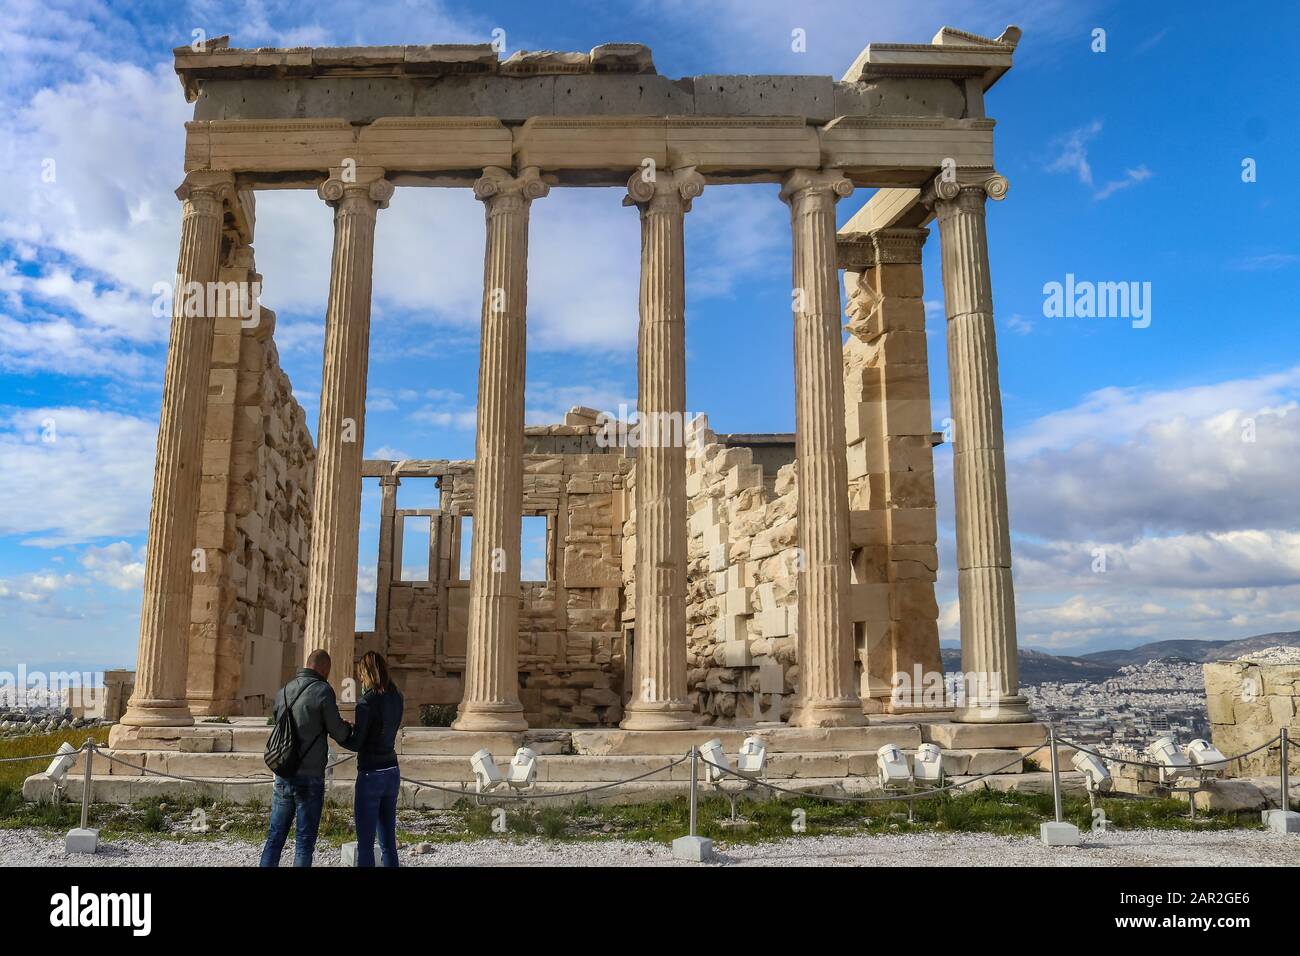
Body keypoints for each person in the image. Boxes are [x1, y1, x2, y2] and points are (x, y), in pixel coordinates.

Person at [259, 649, 352, 867]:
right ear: (324, 669)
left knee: (274, 838)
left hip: (284, 771)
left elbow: (278, 721)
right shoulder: (323, 691)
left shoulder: (284, 690)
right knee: (304, 842)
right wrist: (350, 730)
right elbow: (337, 732)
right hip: (310, 776)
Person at [343, 651, 404, 867]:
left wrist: (342, 732)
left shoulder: (366, 701)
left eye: (361, 673)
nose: (360, 678)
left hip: (371, 773)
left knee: (366, 845)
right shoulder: (397, 697)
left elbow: (357, 743)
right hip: (392, 770)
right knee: (388, 843)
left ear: (367, 673)